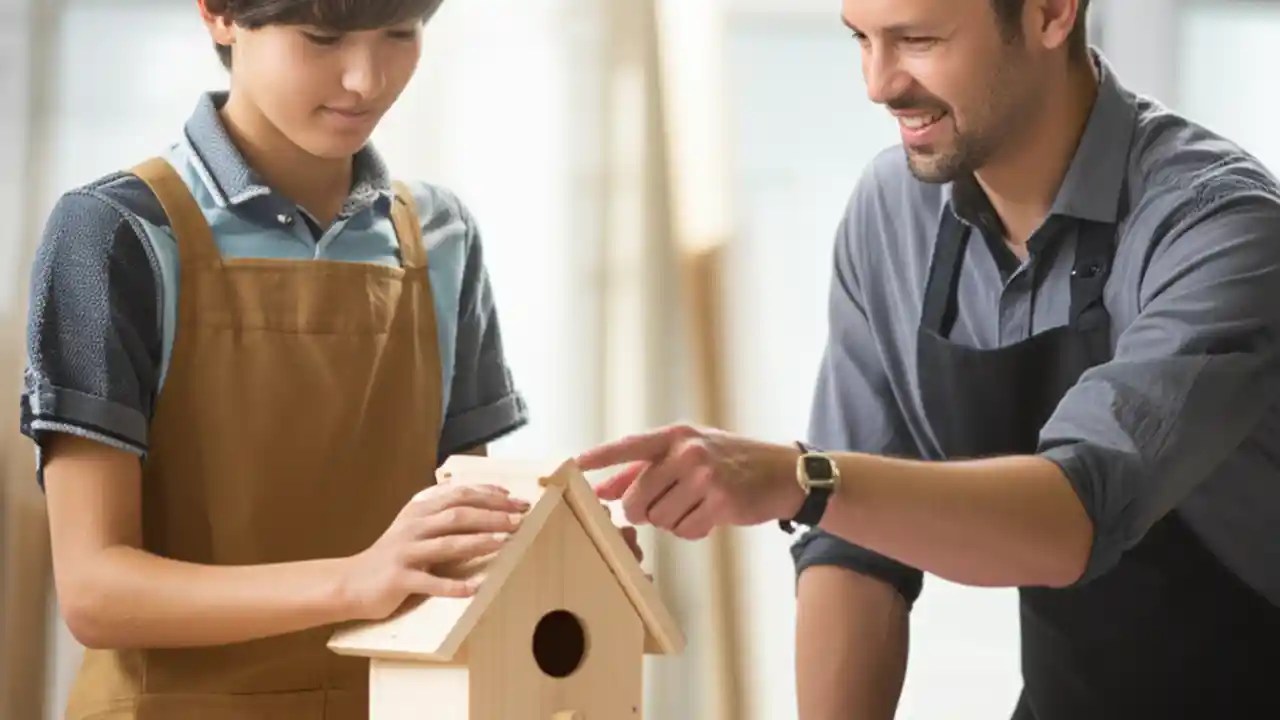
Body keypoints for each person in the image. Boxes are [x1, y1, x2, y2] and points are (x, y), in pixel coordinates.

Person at [577, 0, 1280, 718]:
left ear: (1050, 13)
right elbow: (854, 554)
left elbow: (1076, 513)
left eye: (918, 40)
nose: (879, 84)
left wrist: (798, 478)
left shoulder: (1218, 226)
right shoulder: (893, 214)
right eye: (862, 39)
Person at [17, 1, 644, 717]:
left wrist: (553, 557)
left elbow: (459, 539)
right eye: (322, 38)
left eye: (400, 35)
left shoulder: (441, 237)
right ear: (221, 15)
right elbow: (98, 595)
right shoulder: (117, 232)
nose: (365, 79)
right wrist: (356, 582)